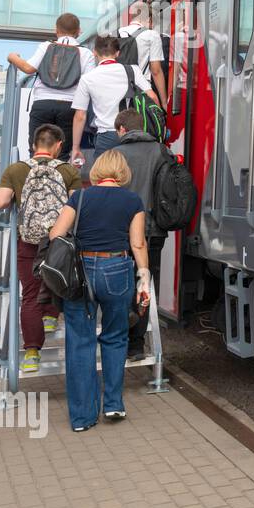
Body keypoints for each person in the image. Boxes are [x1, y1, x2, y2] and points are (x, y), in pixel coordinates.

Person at [47, 150, 149, 432]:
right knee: (116, 337)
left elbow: (55, 234)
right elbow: (138, 244)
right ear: (122, 173)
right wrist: (144, 279)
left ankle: (82, 418)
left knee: (80, 341)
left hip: (80, 271)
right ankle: (114, 404)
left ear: (97, 171)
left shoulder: (79, 197)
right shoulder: (132, 200)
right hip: (117, 268)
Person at [0, 124, 82, 373]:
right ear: (59, 146)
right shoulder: (68, 170)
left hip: (28, 241)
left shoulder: (17, 169)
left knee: (30, 295)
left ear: (33, 145)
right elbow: (77, 208)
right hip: (57, 241)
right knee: (56, 279)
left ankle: (31, 352)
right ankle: (51, 318)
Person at [111, 109, 169, 355]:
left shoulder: (114, 154)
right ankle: (136, 345)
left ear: (122, 129)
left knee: (120, 284)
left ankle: (118, 338)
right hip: (153, 230)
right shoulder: (161, 151)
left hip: (121, 232)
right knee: (145, 284)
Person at [6, 12, 96, 160]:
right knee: (63, 153)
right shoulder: (85, 53)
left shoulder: (46, 46)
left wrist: (12, 57)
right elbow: (90, 82)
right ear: (79, 31)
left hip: (43, 104)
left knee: (36, 150)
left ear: (56, 30)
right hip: (70, 106)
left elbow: (28, 68)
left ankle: (36, 180)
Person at [70, 33, 156, 162]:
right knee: (132, 176)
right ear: (117, 53)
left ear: (94, 52)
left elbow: (80, 116)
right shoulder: (132, 70)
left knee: (105, 177)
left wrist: (75, 148)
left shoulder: (87, 78)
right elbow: (152, 97)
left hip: (105, 136)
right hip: (132, 134)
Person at [120, 2, 168, 111]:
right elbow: (156, 71)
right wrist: (163, 102)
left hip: (118, 92)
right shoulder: (151, 35)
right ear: (149, 19)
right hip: (141, 91)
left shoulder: (116, 33)